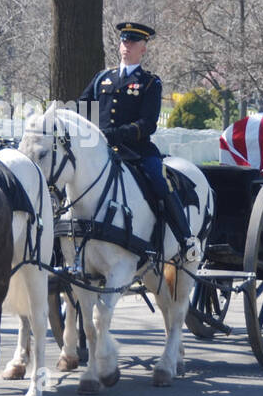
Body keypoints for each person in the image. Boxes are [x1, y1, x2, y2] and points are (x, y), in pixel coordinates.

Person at [77, 21, 197, 261]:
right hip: (100, 150)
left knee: (159, 181)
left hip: (136, 151)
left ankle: (186, 239)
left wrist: (116, 134)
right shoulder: (103, 78)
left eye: (133, 41)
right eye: (124, 40)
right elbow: (83, 106)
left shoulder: (150, 82)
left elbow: (148, 124)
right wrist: (91, 133)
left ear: (143, 48)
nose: (126, 45)